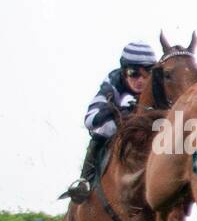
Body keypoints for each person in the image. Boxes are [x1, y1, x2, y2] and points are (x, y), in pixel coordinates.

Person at [63, 42, 157, 202]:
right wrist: (111, 110)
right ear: (123, 71)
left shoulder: (159, 84)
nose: (141, 80)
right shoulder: (112, 83)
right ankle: (85, 180)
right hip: (121, 129)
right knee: (105, 127)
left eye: (147, 73)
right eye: (133, 73)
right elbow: (90, 119)